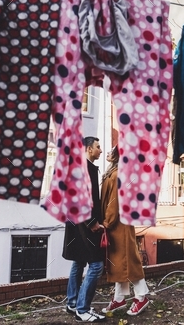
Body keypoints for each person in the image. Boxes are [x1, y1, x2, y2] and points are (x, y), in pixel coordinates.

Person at [100, 145, 150, 316]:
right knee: (119, 263)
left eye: (110, 151)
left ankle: (141, 296)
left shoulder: (118, 174)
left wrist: (107, 222)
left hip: (118, 224)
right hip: (118, 224)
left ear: (116, 155)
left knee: (129, 262)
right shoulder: (116, 172)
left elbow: (114, 202)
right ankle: (119, 297)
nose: (106, 152)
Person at [62, 136, 106, 322]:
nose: (101, 150)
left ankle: (72, 303)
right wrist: (92, 223)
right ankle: (82, 308)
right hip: (85, 227)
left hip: (76, 226)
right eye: (98, 147)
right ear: (89, 149)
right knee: (97, 265)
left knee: (79, 261)